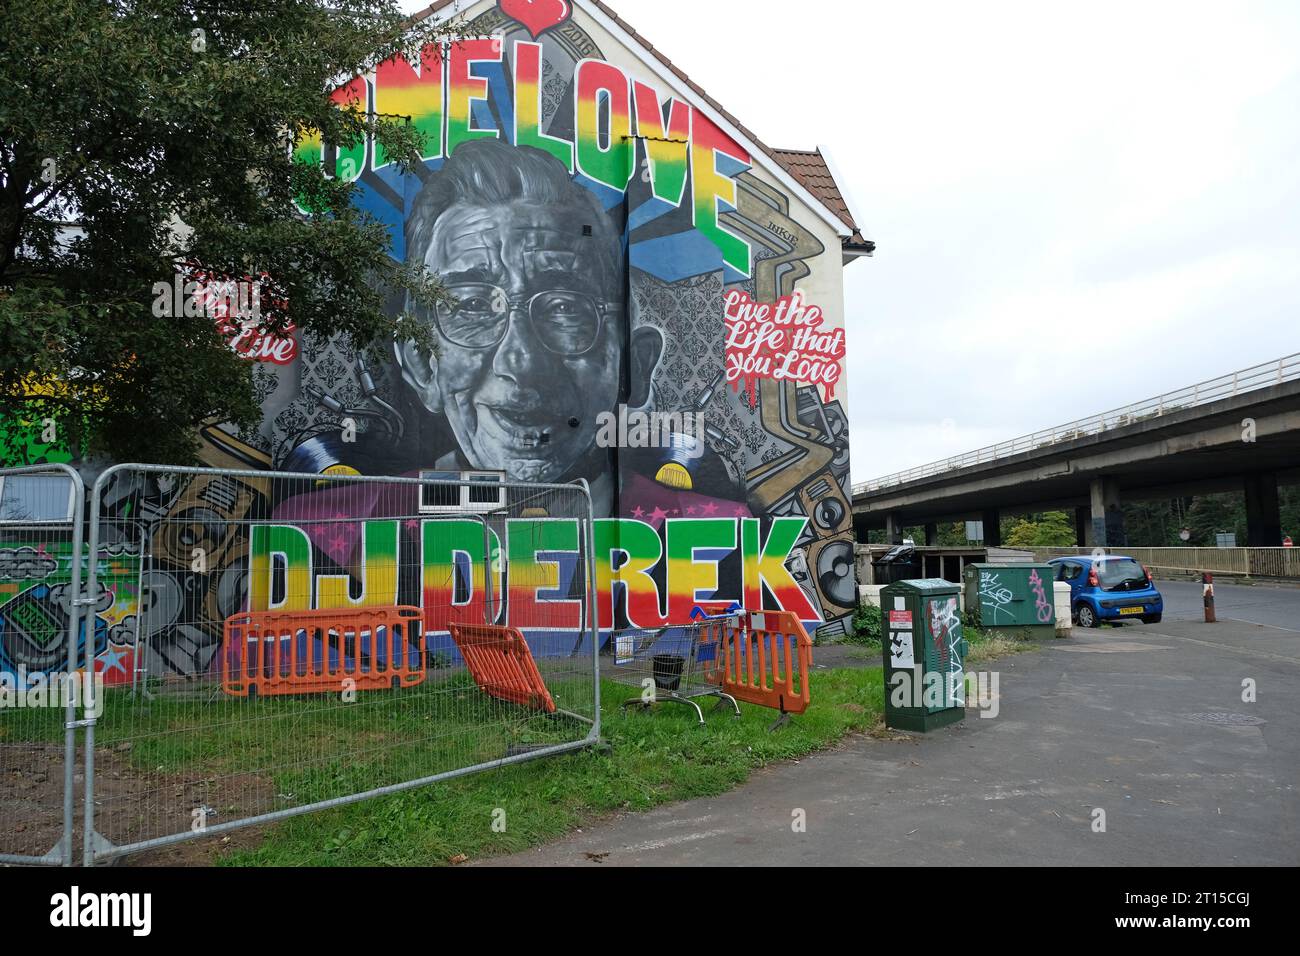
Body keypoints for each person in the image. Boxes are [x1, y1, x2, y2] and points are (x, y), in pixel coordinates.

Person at [395, 138, 662, 515]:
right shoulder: (338, 532)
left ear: (633, 366)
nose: (520, 364)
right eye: (471, 305)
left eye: (564, 308)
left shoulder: (715, 530)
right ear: (421, 360)